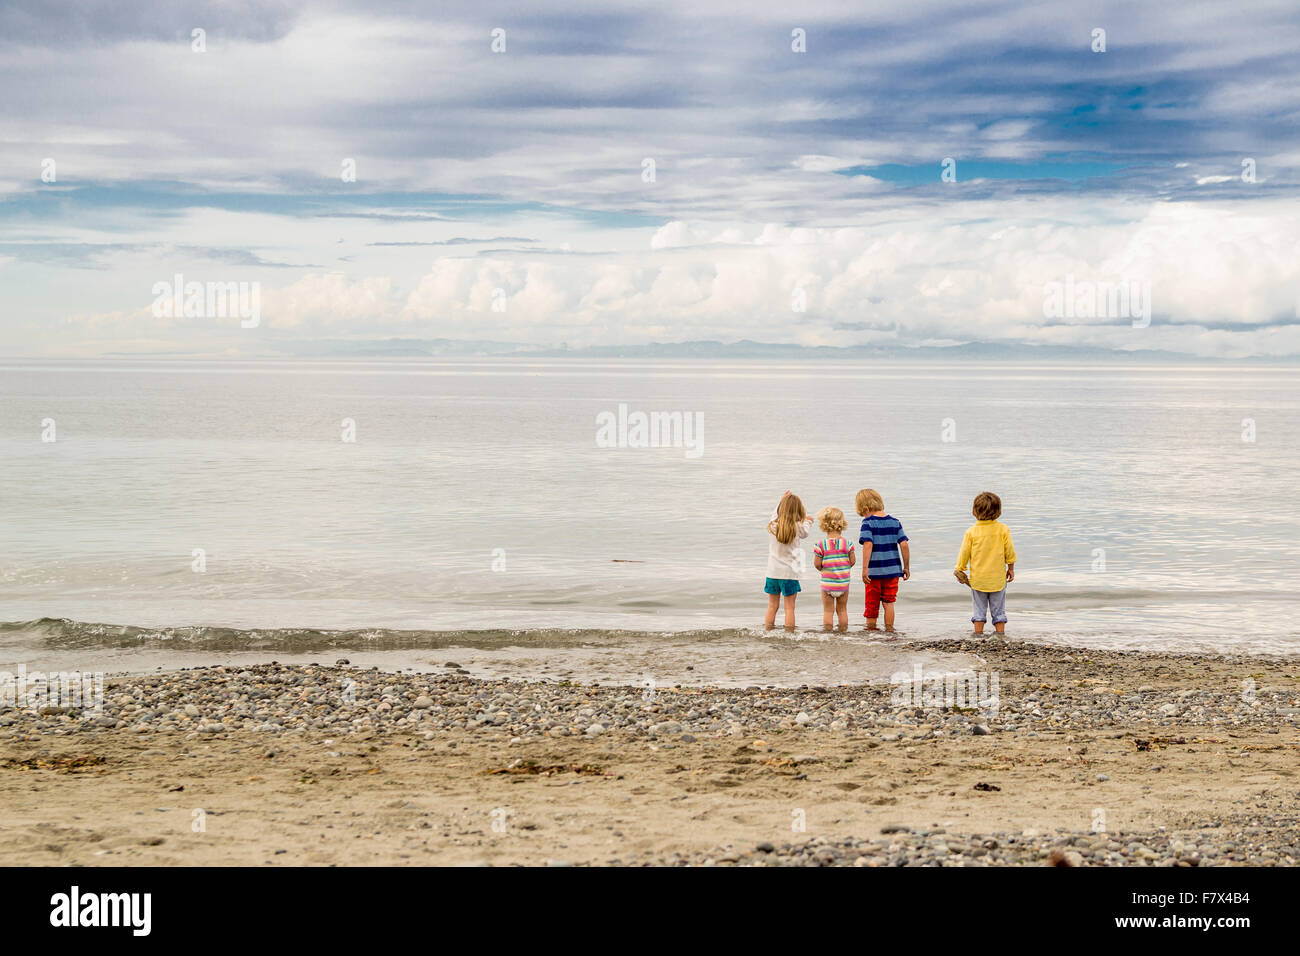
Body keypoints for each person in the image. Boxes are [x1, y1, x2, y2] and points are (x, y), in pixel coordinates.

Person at [954, 491, 1017, 636]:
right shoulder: (1003, 530)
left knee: (979, 610)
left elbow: (964, 553)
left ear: (974, 511)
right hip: (998, 579)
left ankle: (978, 635)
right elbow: (1010, 552)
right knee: (999, 610)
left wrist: (960, 570)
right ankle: (1000, 635)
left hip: (978, 580)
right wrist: (1011, 568)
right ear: (998, 511)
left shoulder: (971, 532)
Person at [855, 488, 910, 631]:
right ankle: (890, 631)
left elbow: (868, 544)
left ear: (866, 508)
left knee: (872, 605)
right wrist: (906, 567)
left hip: (874, 572)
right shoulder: (895, 522)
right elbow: (904, 544)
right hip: (893, 571)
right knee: (889, 603)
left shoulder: (868, 523)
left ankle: (872, 634)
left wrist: (864, 569)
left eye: (863, 513)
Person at [764, 491, 814, 628]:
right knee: (789, 608)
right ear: (798, 510)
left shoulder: (772, 526)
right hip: (790, 574)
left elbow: (774, 515)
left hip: (772, 573)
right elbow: (806, 532)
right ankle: (790, 634)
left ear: (780, 509)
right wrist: (809, 521)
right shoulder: (798, 527)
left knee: (772, 606)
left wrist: (781, 501)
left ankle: (767, 631)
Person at [812, 507, 856, 630]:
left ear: (823, 524)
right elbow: (852, 561)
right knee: (842, 610)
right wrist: (844, 567)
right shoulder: (848, 544)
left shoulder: (820, 545)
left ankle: (828, 635)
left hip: (828, 583)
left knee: (828, 611)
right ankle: (843, 633)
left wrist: (824, 569)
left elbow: (817, 564)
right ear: (842, 523)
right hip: (843, 583)